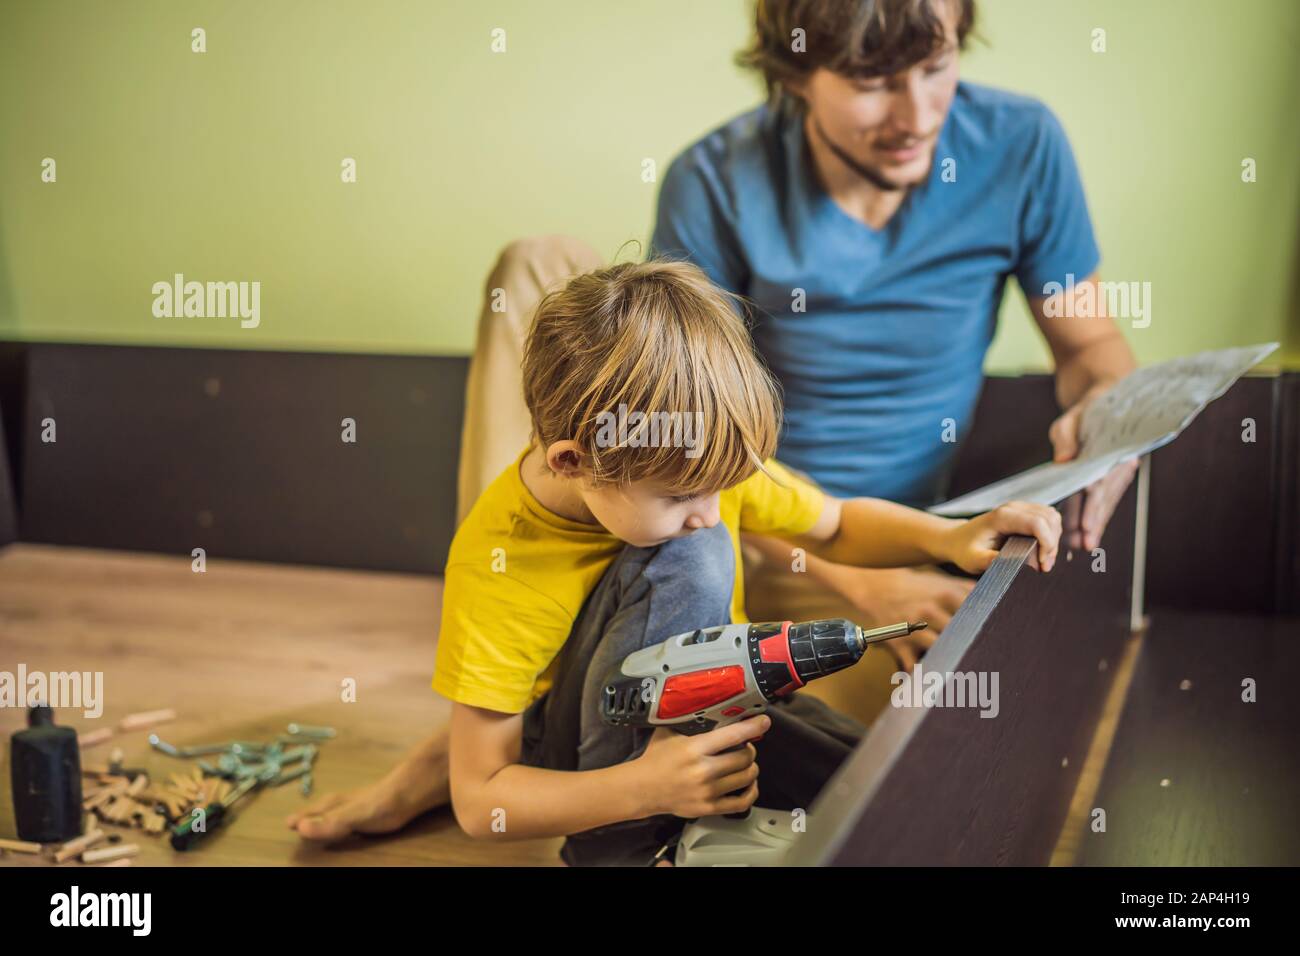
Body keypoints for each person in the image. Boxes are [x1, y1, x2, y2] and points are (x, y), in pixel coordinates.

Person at [291, 257, 1062, 864]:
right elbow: (481, 798)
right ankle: (626, 853)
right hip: (588, 756)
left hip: (706, 692)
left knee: (876, 794)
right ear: (570, 460)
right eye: (680, 496)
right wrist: (640, 788)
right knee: (690, 558)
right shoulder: (500, 565)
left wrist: (950, 536)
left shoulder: (693, 459)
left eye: (723, 487)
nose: (712, 511)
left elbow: (830, 526)